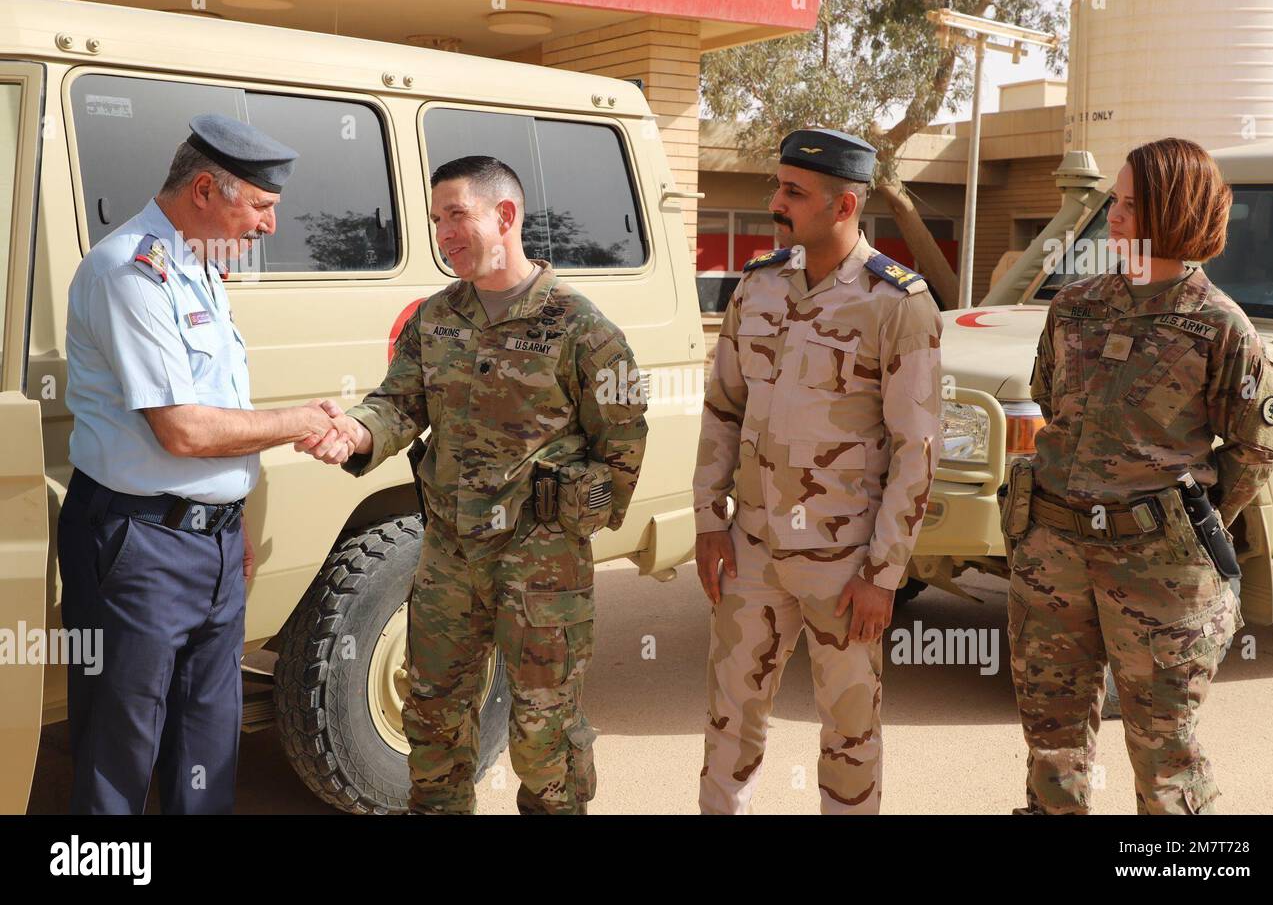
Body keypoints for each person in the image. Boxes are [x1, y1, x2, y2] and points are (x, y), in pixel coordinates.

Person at [297, 155, 648, 814]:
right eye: (437, 220)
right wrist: (356, 433)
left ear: (505, 215)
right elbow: (398, 404)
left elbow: (623, 443)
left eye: (456, 215)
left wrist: (569, 522)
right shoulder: (436, 320)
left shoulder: (581, 328)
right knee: (432, 719)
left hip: (541, 565)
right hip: (449, 558)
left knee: (544, 732)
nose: (444, 233)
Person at [60, 113, 344, 814]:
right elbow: (182, 430)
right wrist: (300, 423)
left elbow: (217, 406)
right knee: (117, 753)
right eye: (262, 206)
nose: (269, 227)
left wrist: (228, 514)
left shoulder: (199, 265)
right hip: (139, 546)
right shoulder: (131, 270)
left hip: (207, 545)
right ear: (208, 190)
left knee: (208, 745)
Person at [1005, 136, 1273, 814]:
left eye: (1131, 205)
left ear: (1173, 209)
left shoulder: (1219, 324)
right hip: (1055, 559)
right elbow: (1054, 406)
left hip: (1158, 575)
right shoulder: (1073, 306)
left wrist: (1186, 513)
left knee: (1165, 755)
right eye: (1116, 203)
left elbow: (1256, 441)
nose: (1115, 218)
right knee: (1052, 744)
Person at [692, 128, 942, 814]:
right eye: (778, 186)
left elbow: (915, 449)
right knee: (729, 722)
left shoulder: (897, 303)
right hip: (752, 553)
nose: (777, 201)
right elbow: (722, 409)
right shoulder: (759, 286)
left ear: (844, 205)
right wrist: (710, 520)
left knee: (849, 734)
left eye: (793, 192)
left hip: (844, 564)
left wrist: (884, 574)